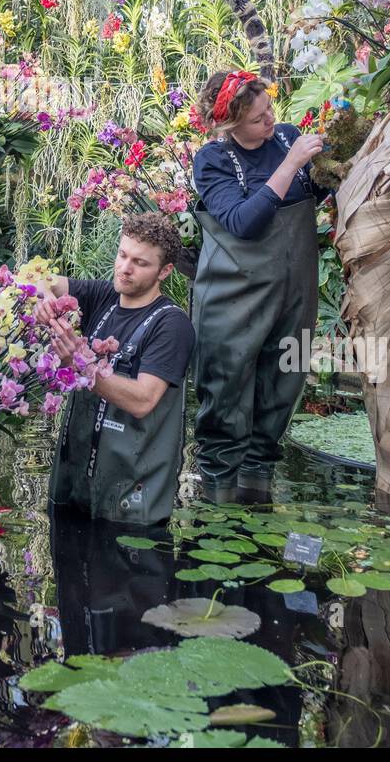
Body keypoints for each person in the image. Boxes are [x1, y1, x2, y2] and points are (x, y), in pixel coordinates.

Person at [191, 69, 329, 502]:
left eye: (269, 109)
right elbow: (241, 223)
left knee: (283, 387)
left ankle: (257, 493)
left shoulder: (287, 137)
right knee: (226, 394)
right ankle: (215, 507)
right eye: (257, 118)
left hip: (294, 296)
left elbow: (320, 190)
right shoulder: (213, 160)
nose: (270, 121)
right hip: (234, 299)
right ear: (229, 125)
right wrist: (291, 167)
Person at [36, 212, 195, 526]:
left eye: (140, 262)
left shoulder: (172, 324)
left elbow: (143, 400)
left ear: (165, 271)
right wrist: (43, 299)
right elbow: (38, 277)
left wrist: (81, 366)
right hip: (75, 488)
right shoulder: (103, 297)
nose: (125, 268)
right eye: (122, 255)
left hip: (134, 506)